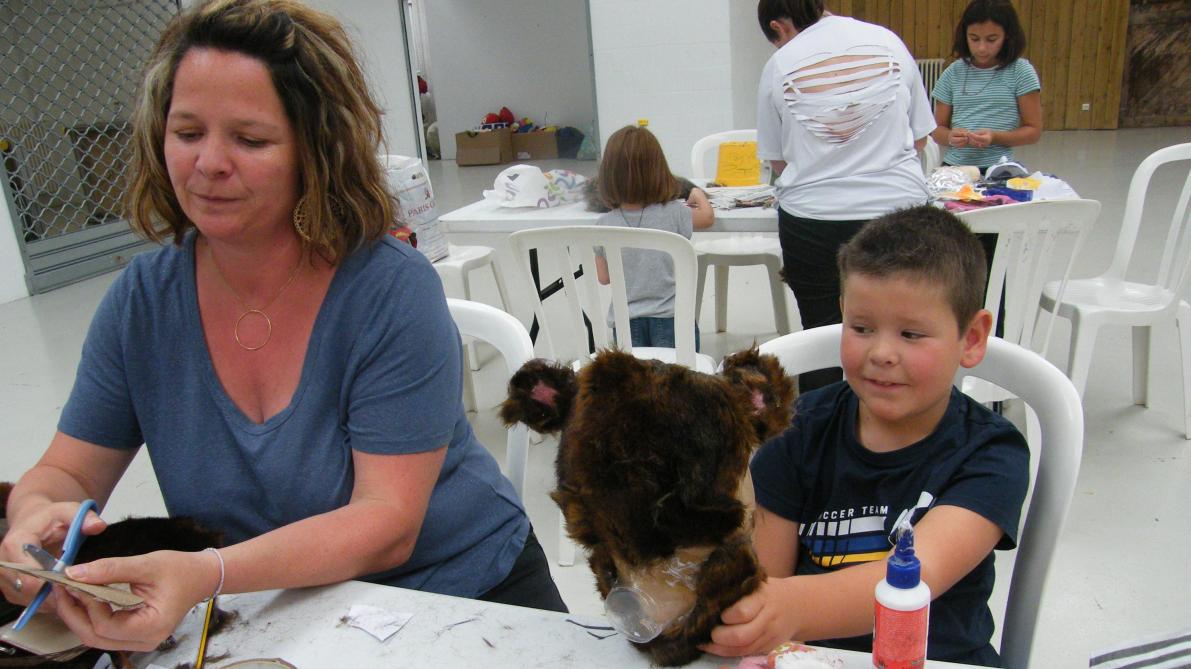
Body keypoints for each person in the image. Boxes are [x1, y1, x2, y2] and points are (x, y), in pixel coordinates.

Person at [0, 0, 563, 652]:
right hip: (279, 610)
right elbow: (66, 474)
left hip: (462, 595)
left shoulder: (389, 288)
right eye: (187, 132)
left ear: (315, 152)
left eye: (250, 139)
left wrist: (205, 572)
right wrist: (33, 518)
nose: (209, 163)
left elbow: (386, 522)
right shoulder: (141, 305)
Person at [703, 206, 1029, 666]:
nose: (880, 353)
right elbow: (763, 577)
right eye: (861, 328)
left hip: (942, 658)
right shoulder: (794, 431)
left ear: (972, 338)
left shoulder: (992, 453)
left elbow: (917, 579)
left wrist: (783, 609)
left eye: (911, 334)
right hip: (807, 655)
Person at [756, 0, 935, 392]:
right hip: (898, 212)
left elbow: (778, 161)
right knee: (904, 330)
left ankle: (822, 436)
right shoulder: (888, 42)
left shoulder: (780, 64)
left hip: (813, 220)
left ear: (778, 27)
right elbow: (920, 137)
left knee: (821, 337)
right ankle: (903, 431)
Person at [593, 125, 714, 350]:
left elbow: (604, 277)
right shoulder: (673, 213)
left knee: (635, 383)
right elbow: (706, 218)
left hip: (626, 321)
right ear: (660, 171)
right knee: (677, 378)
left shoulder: (603, 225)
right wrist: (697, 194)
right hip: (671, 318)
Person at [930, 0, 1042, 170]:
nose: (982, 48)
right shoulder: (953, 72)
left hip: (1000, 167)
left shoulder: (1021, 71)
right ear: (964, 35)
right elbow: (937, 130)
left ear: (1007, 36)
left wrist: (995, 137)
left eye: (992, 39)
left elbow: (1033, 131)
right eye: (974, 39)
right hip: (955, 167)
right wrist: (950, 137)